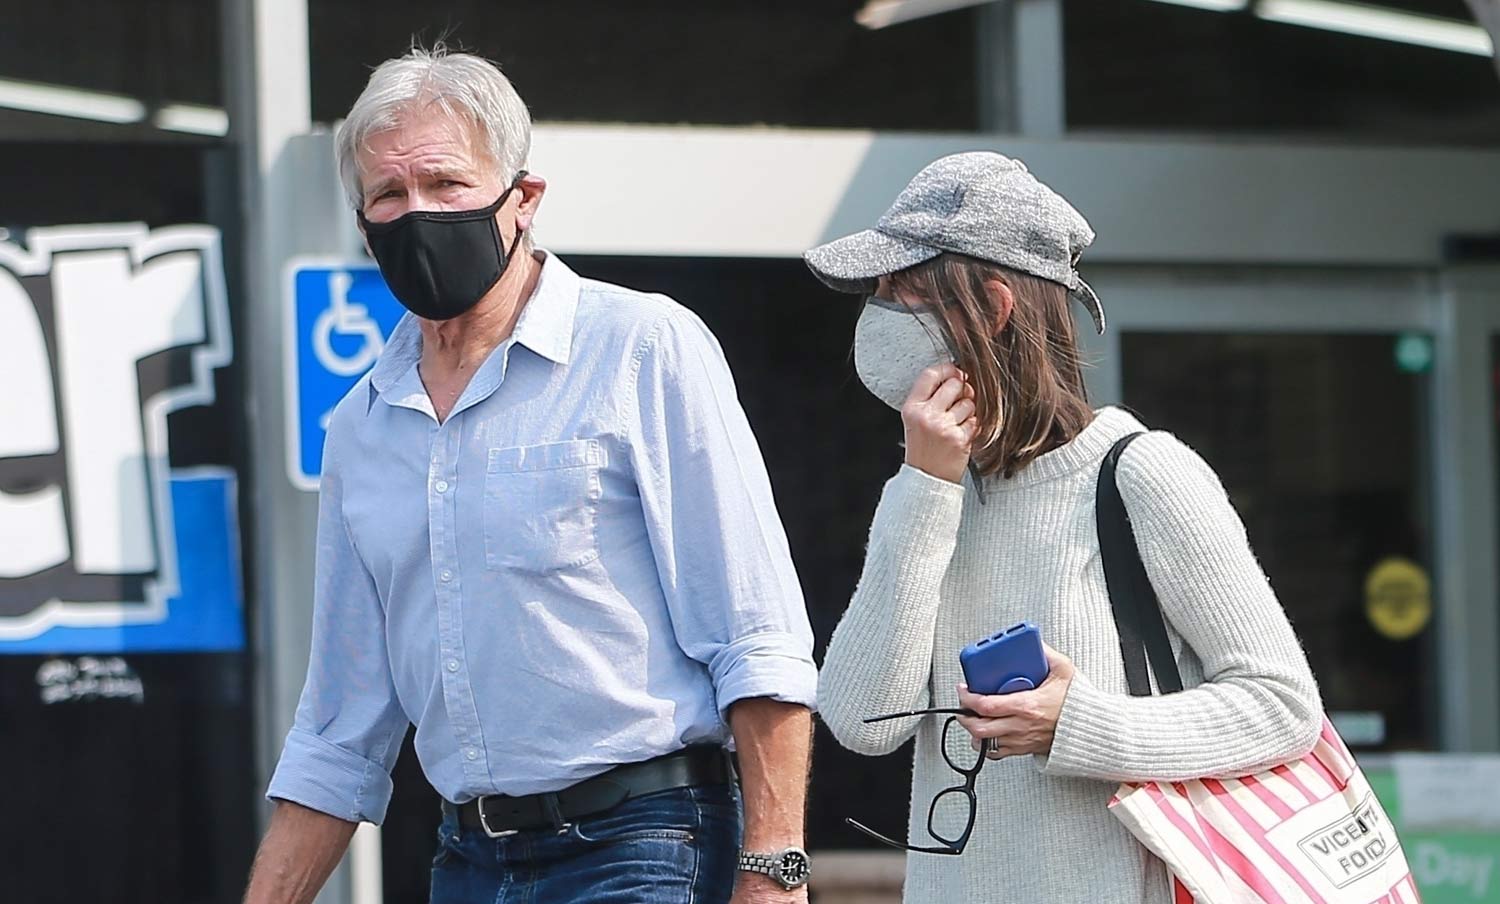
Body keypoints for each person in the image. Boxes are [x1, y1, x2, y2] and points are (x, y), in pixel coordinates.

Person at [244, 47, 817, 904]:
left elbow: (756, 635)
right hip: (468, 860)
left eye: (446, 183)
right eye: (389, 194)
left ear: (525, 199)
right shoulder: (362, 424)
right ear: (362, 224)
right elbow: (339, 731)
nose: (417, 213)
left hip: (645, 842)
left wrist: (773, 871)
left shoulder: (639, 347)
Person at [808, 151, 1323, 903]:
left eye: (900, 289)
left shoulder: (1139, 473)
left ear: (992, 307)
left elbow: (1282, 705)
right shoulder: (934, 491)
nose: (878, 312)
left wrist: (1075, 725)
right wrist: (923, 486)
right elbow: (862, 721)